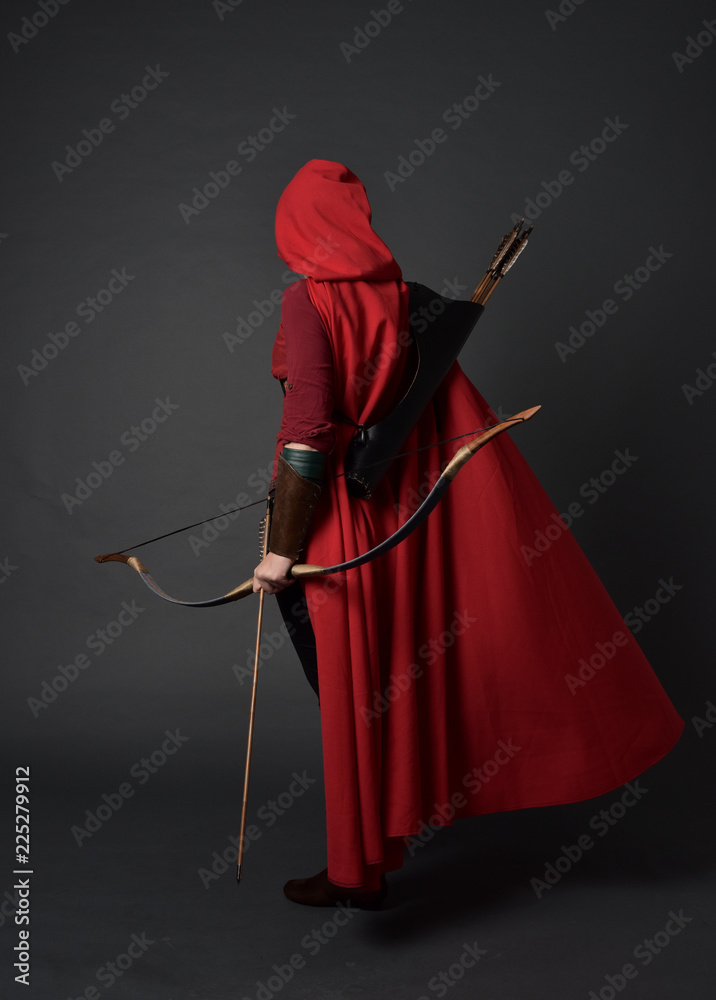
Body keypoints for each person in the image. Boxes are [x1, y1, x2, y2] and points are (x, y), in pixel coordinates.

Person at [252, 159, 683, 908]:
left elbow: (308, 429)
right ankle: (370, 856)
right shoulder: (405, 298)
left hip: (339, 520)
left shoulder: (306, 300)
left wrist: (281, 549)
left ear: (297, 225)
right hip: (395, 517)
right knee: (377, 686)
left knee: (356, 690)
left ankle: (359, 870)